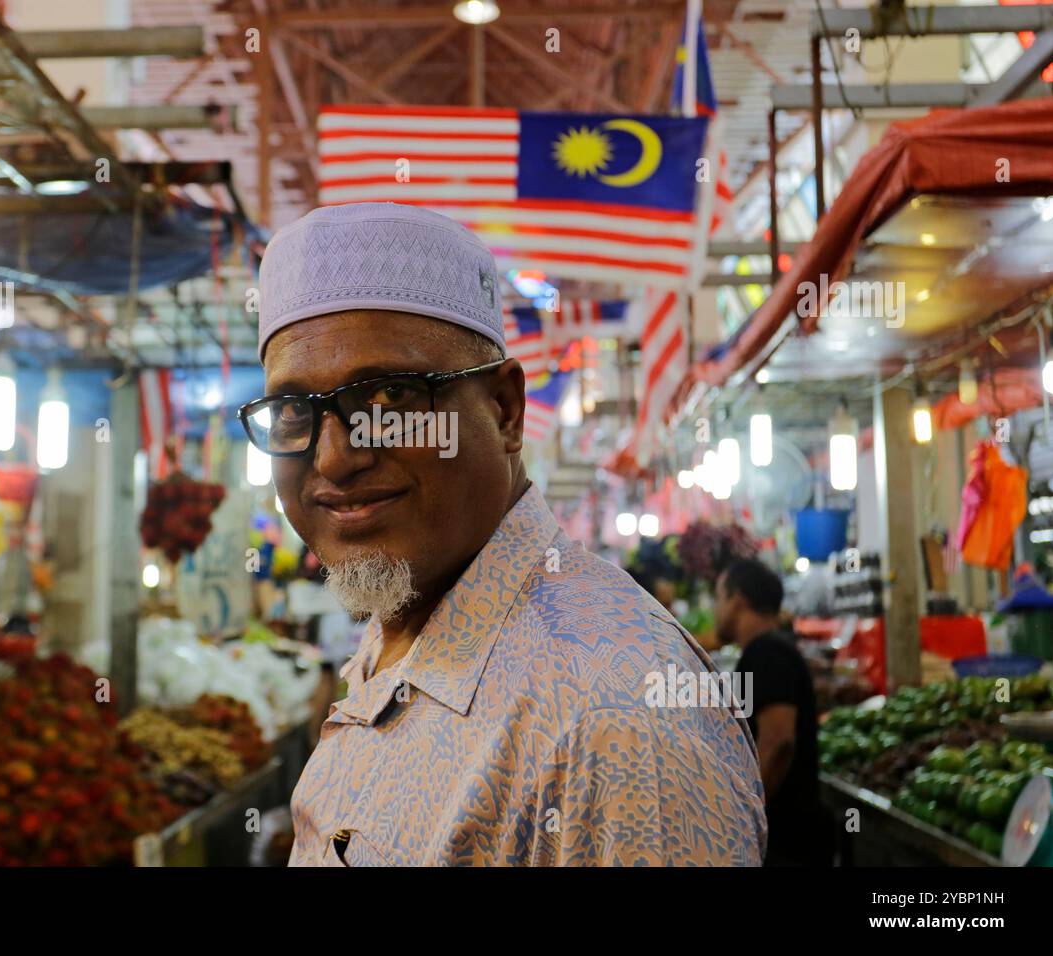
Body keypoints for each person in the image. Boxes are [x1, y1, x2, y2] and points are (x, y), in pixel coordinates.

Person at [241, 202, 765, 866]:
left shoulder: (616, 723)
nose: (335, 457)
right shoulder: (403, 626)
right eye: (293, 410)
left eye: (391, 399)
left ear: (505, 411)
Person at [714, 558, 830, 866]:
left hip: (788, 843)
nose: (715, 610)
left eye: (718, 598)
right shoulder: (770, 650)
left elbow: (779, 740)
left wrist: (744, 815)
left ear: (737, 601)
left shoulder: (767, 654)